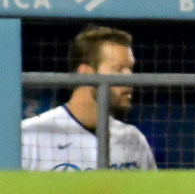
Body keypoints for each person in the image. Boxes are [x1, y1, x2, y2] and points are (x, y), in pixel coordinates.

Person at [21, 25, 156, 171]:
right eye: (118, 69)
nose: (129, 79)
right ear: (85, 73)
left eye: (130, 69)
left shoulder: (133, 139)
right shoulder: (30, 136)